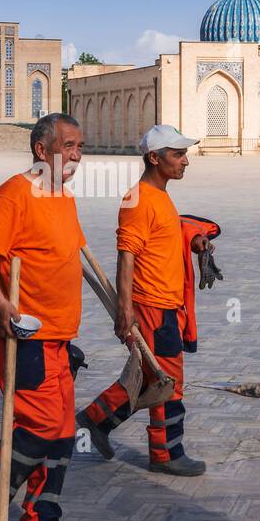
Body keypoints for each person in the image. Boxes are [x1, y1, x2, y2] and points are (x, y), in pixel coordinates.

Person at [0, 114, 91, 521]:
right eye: (68, 146)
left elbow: (75, 257)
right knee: (38, 426)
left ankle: (41, 520)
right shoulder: (15, 193)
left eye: (80, 147)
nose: (76, 155)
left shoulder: (64, 198)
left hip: (58, 336)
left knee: (62, 430)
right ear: (41, 149)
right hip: (22, 333)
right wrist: (1, 303)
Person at [76, 124, 222, 476]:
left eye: (185, 153)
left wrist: (195, 240)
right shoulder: (138, 199)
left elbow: (167, 233)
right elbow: (126, 256)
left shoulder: (159, 195)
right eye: (177, 154)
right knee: (167, 381)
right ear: (154, 158)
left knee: (150, 376)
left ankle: (95, 419)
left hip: (168, 305)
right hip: (152, 307)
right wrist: (125, 311)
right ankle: (165, 453)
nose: (185, 161)